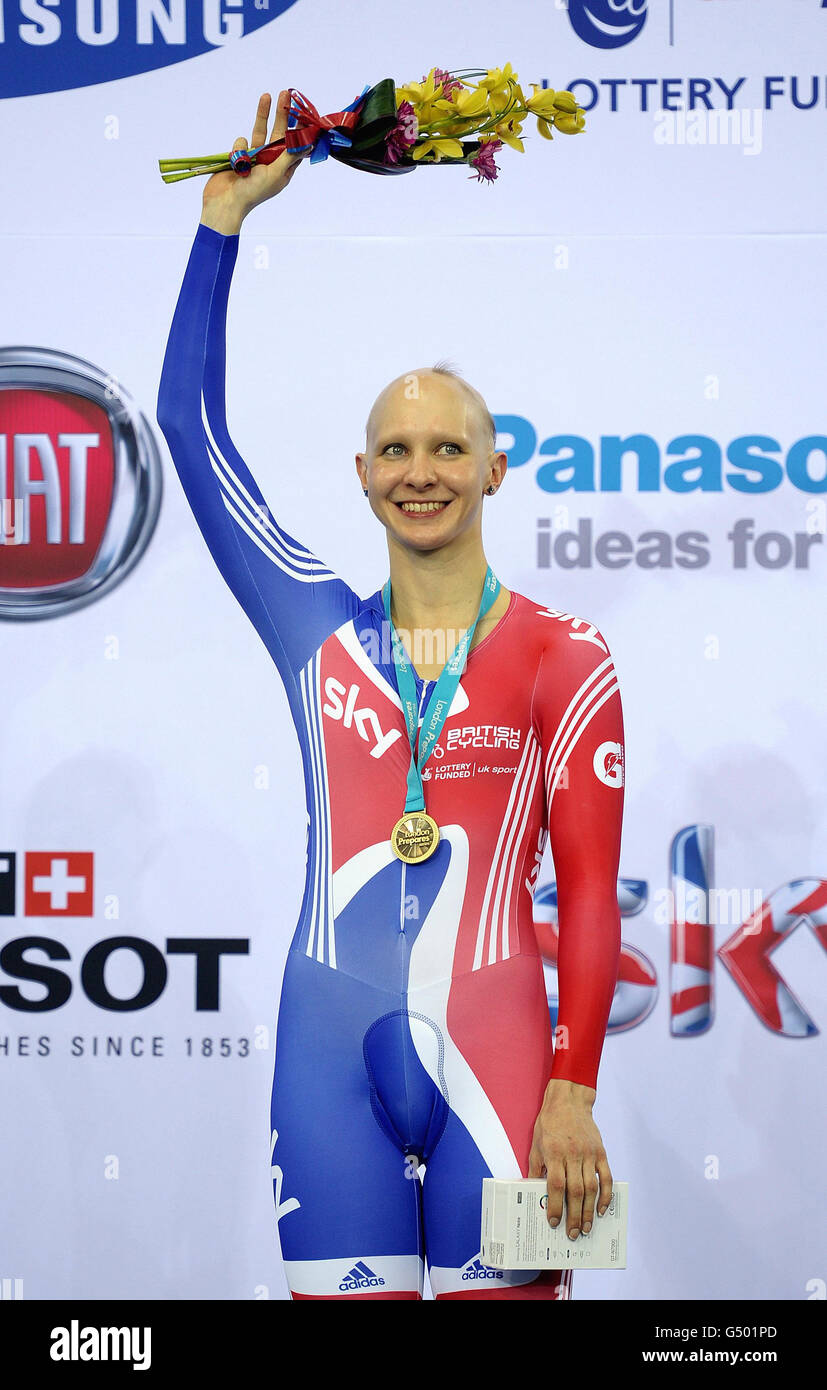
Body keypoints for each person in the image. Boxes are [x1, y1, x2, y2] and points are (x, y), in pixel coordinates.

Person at [157, 90, 625, 1301]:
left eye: (447, 448)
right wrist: (222, 224)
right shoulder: (311, 622)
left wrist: (572, 1092)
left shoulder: (563, 655)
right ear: (362, 476)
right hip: (325, 1062)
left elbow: (584, 894)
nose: (421, 473)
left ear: (493, 466)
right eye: (396, 451)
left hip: (507, 1061)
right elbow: (187, 431)